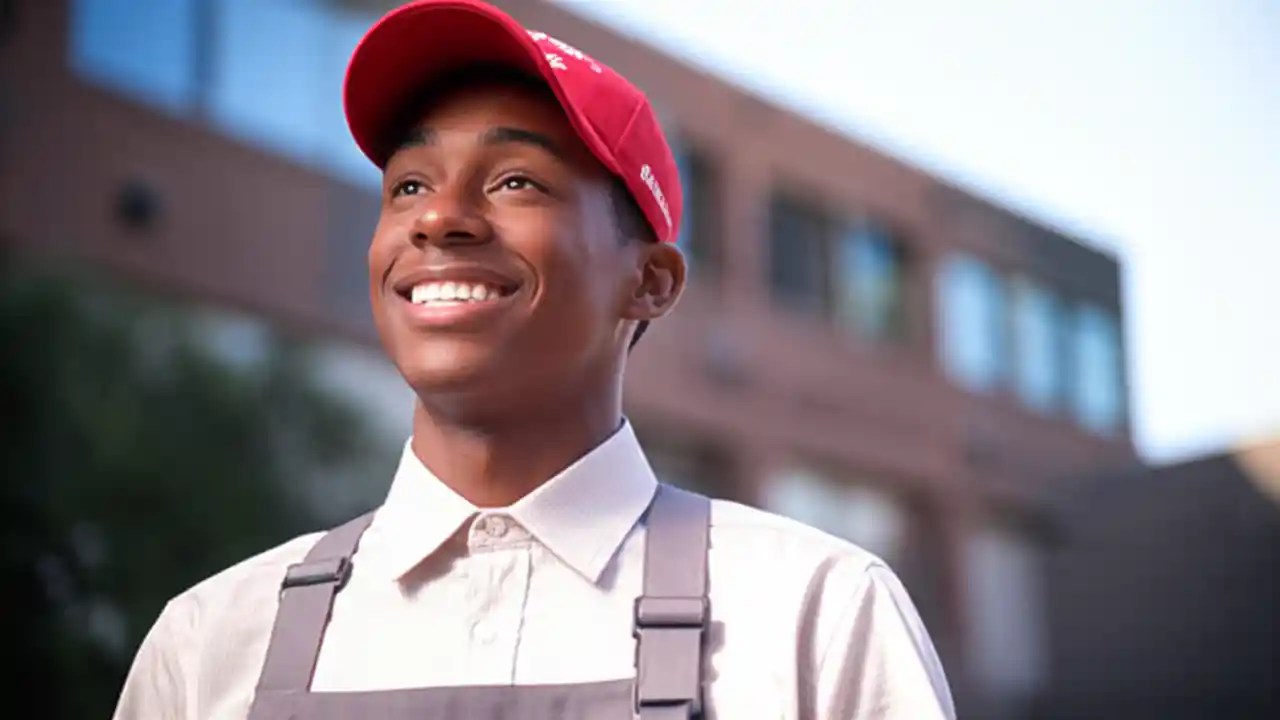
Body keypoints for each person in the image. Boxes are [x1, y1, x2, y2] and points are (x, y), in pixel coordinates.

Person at [111, 1, 955, 718]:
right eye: (408, 185)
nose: (437, 219)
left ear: (652, 282)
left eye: (516, 181)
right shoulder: (210, 644)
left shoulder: (817, 617)